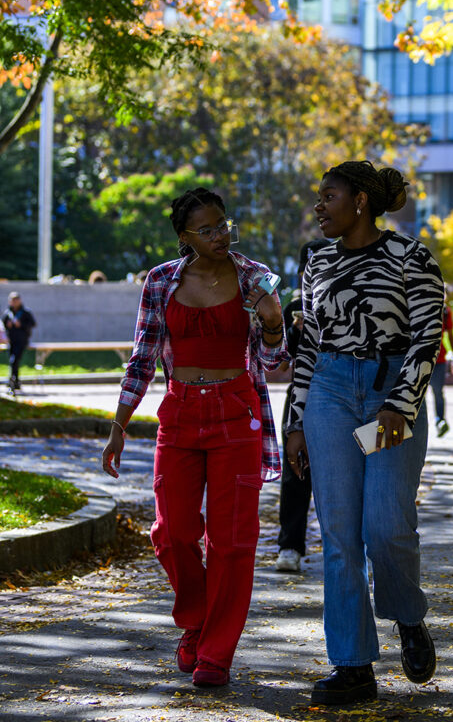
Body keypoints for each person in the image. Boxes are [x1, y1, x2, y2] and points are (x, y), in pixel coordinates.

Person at [101, 187, 287, 689]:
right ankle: (196, 618)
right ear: (185, 236)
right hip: (180, 412)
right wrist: (119, 425)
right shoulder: (161, 281)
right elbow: (142, 357)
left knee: (231, 542)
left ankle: (216, 652)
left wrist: (272, 323)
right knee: (172, 531)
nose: (220, 235)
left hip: (237, 413)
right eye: (207, 229)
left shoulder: (254, 277)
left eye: (224, 224)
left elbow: (273, 361)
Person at [285, 160, 444, 707]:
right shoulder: (317, 260)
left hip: (387, 399)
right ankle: (352, 665)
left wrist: (401, 404)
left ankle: (407, 615)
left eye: (327, 196)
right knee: (339, 534)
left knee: (385, 524)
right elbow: (308, 345)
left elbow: (427, 337)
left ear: (359, 202)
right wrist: (297, 422)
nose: (318, 205)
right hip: (330, 393)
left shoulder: (410, 257)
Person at [275, 239, 328, 574]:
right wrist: (292, 332)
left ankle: (351, 547)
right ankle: (290, 546)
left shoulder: (347, 299)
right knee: (296, 474)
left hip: (343, 394)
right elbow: (281, 360)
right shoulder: (294, 304)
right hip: (301, 398)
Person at [430, 295, 453, 437]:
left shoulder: (445, 311)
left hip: (439, 359)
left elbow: (451, 335)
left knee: (438, 392)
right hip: (419, 359)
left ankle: (440, 420)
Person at [2, 292, 36, 394]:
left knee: (14, 360)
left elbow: (32, 324)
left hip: (21, 340)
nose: (15, 302)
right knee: (13, 361)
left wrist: (20, 325)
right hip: (11, 340)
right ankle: (15, 381)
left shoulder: (25, 312)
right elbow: (2, 325)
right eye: (13, 300)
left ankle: (12, 381)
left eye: (16, 300)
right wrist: (7, 325)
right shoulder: (8, 313)